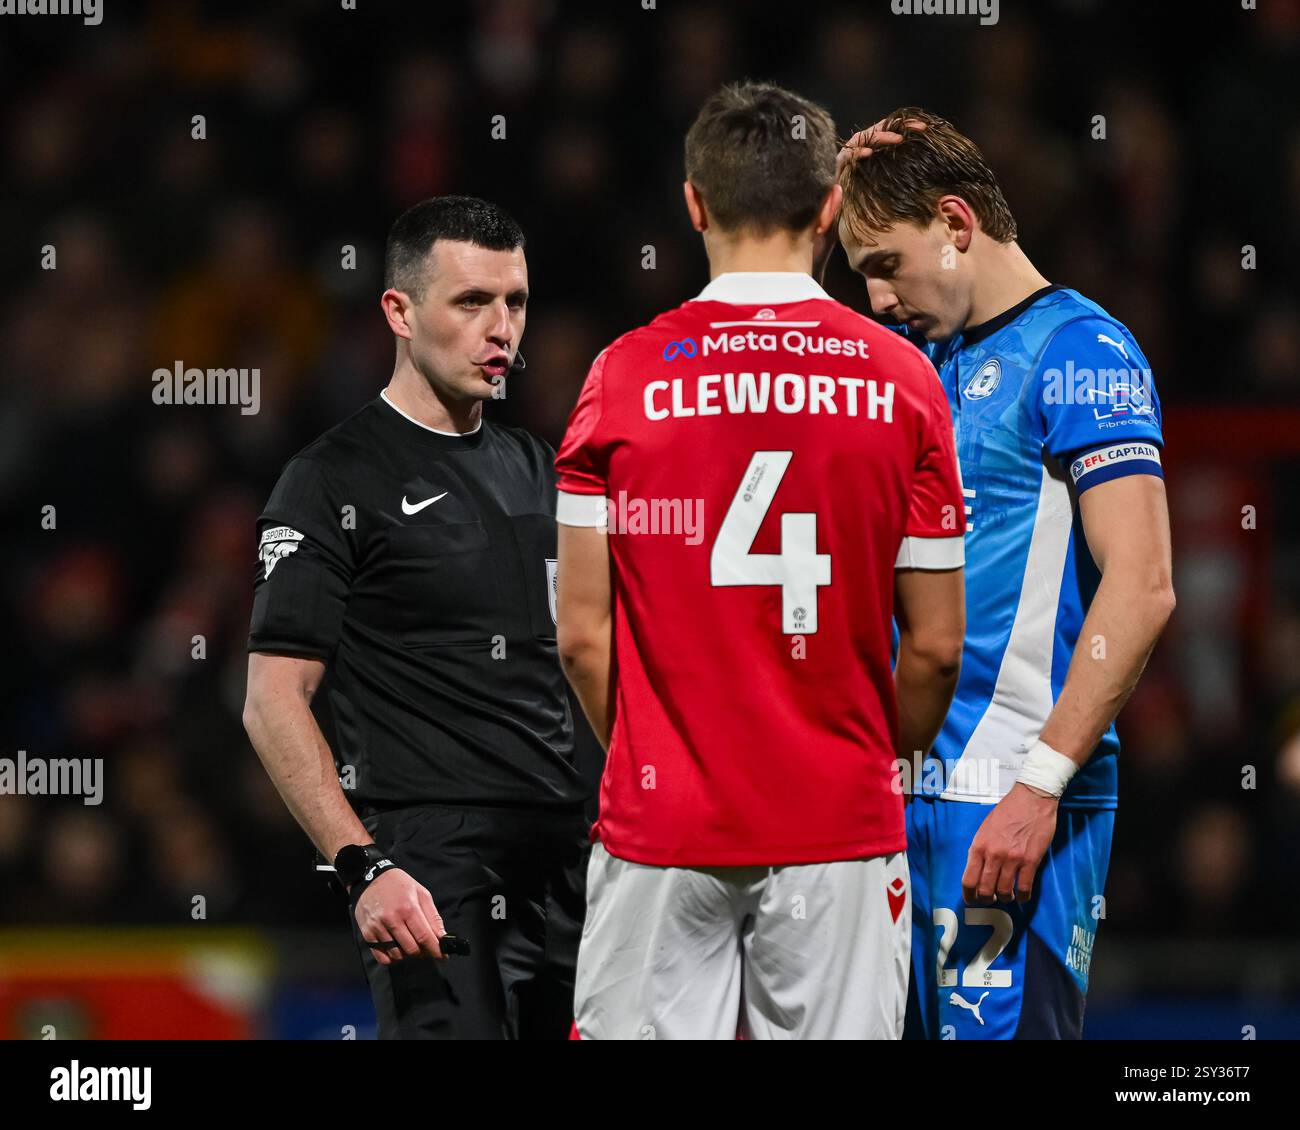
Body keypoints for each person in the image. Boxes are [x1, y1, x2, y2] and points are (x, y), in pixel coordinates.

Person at [554, 82, 967, 1040]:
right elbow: (938, 648)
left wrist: (665, 747)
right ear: (831, 208)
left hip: (664, 829)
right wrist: (867, 760)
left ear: (692, 204)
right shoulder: (902, 379)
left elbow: (580, 638)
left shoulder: (622, 377)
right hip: (839, 826)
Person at [837, 109, 1176, 1038]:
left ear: (955, 225)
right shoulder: (917, 363)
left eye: (883, 265)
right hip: (894, 801)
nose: (873, 300)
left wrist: (1037, 787)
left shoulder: (1080, 353)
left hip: (1009, 805)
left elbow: (1143, 585)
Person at [242, 195, 588, 1040]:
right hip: (432, 866)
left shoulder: (546, 470)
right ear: (398, 310)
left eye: (515, 301)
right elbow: (271, 699)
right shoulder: (332, 480)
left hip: (573, 863)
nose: (501, 328)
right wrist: (362, 867)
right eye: (472, 302)